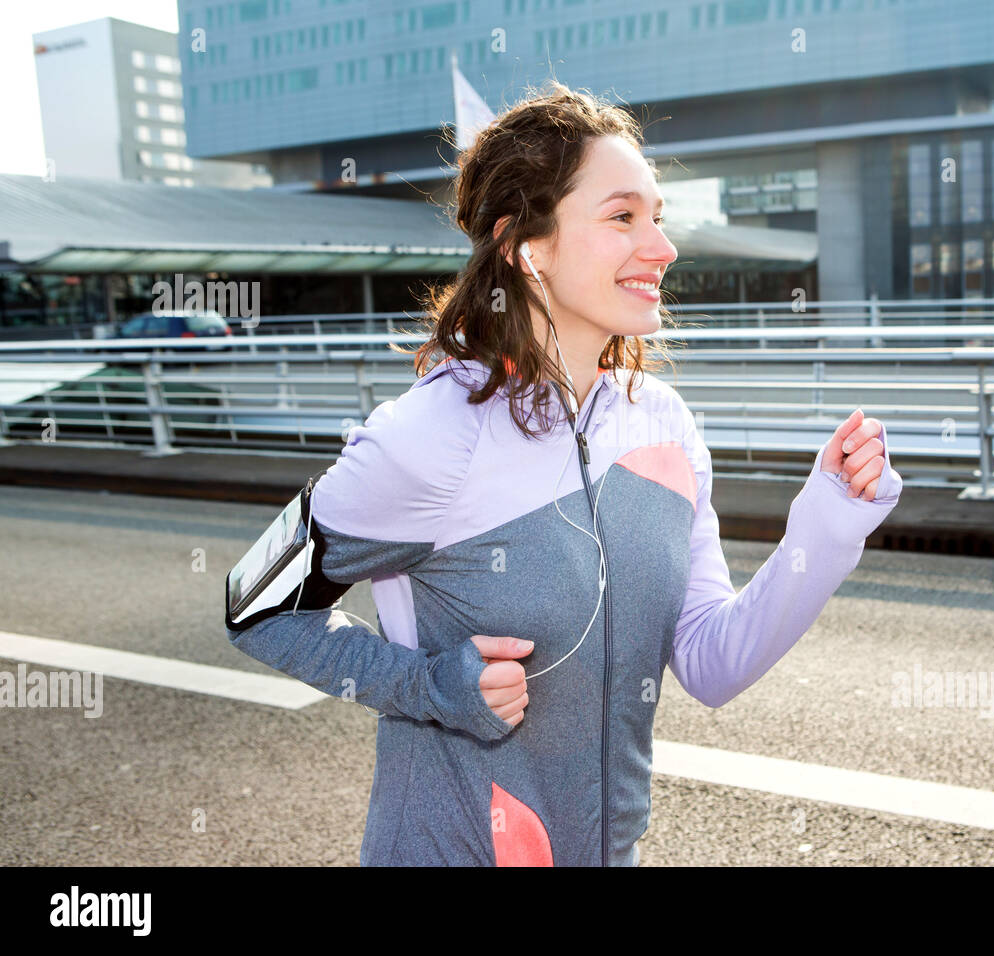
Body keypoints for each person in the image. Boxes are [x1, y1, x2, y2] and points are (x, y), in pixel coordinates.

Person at [224, 81, 903, 866]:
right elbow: (256, 607)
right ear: (525, 245)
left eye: (658, 217)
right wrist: (430, 687)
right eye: (622, 217)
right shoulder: (429, 434)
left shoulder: (667, 428)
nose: (662, 246)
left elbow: (715, 665)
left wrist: (826, 524)